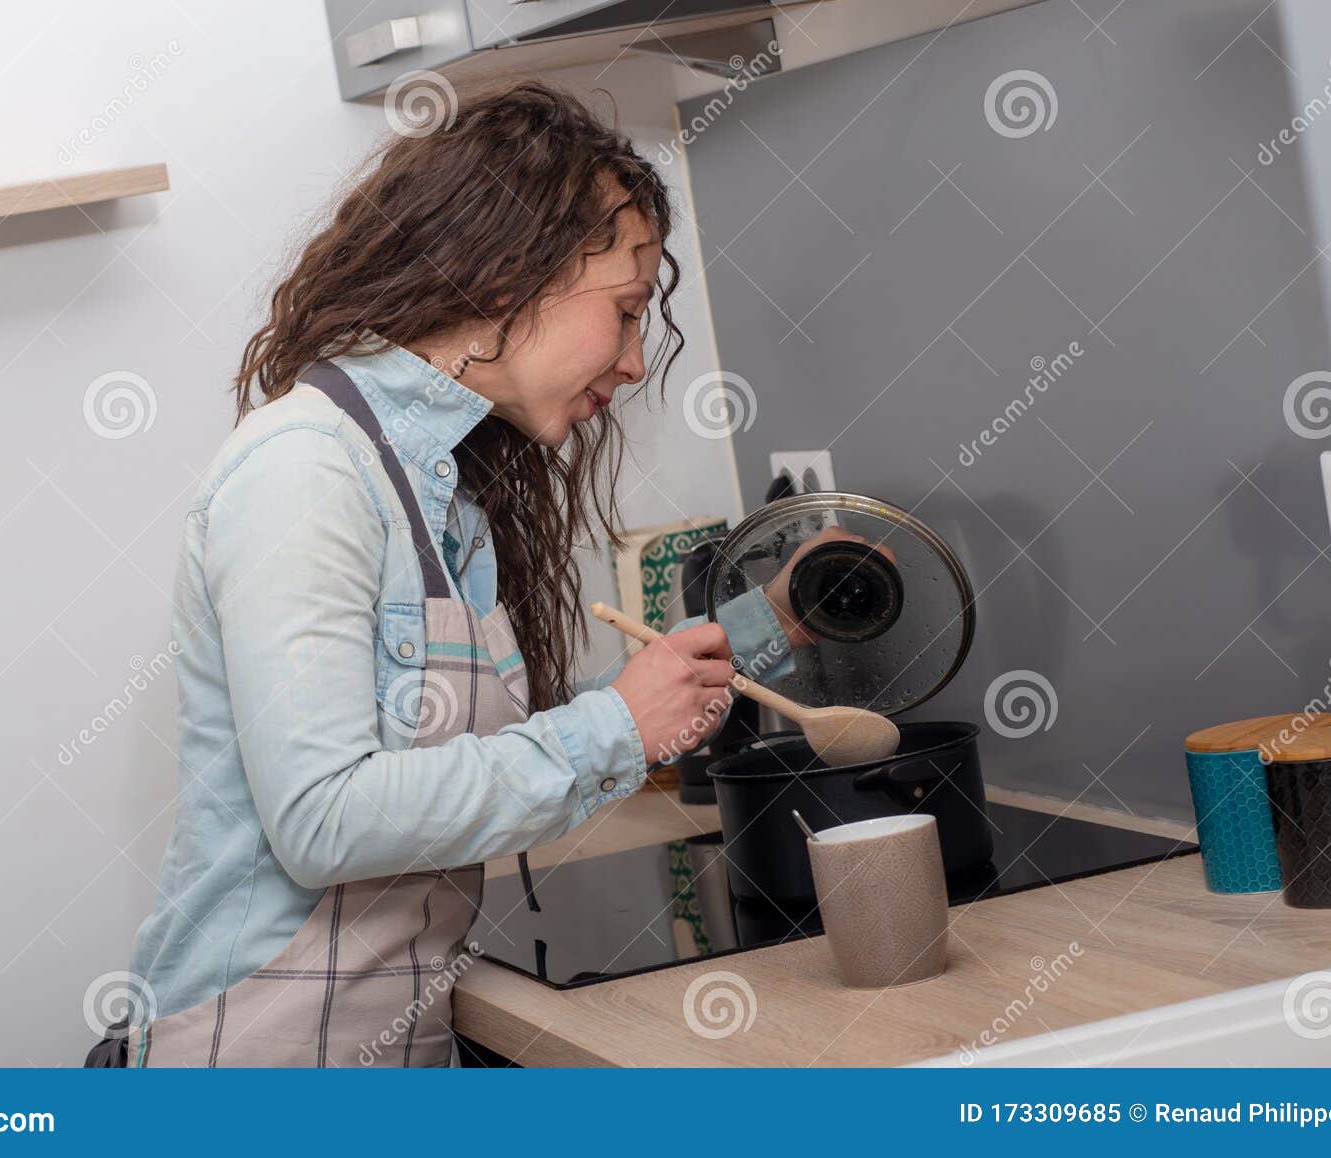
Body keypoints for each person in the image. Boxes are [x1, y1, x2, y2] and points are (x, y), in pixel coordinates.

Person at [95, 80, 851, 1069]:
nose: (633, 363)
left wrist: (767, 625)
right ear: (506, 274)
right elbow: (324, 820)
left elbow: (472, 761)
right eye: (625, 312)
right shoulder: (304, 469)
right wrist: (617, 726)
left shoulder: (439, 491)